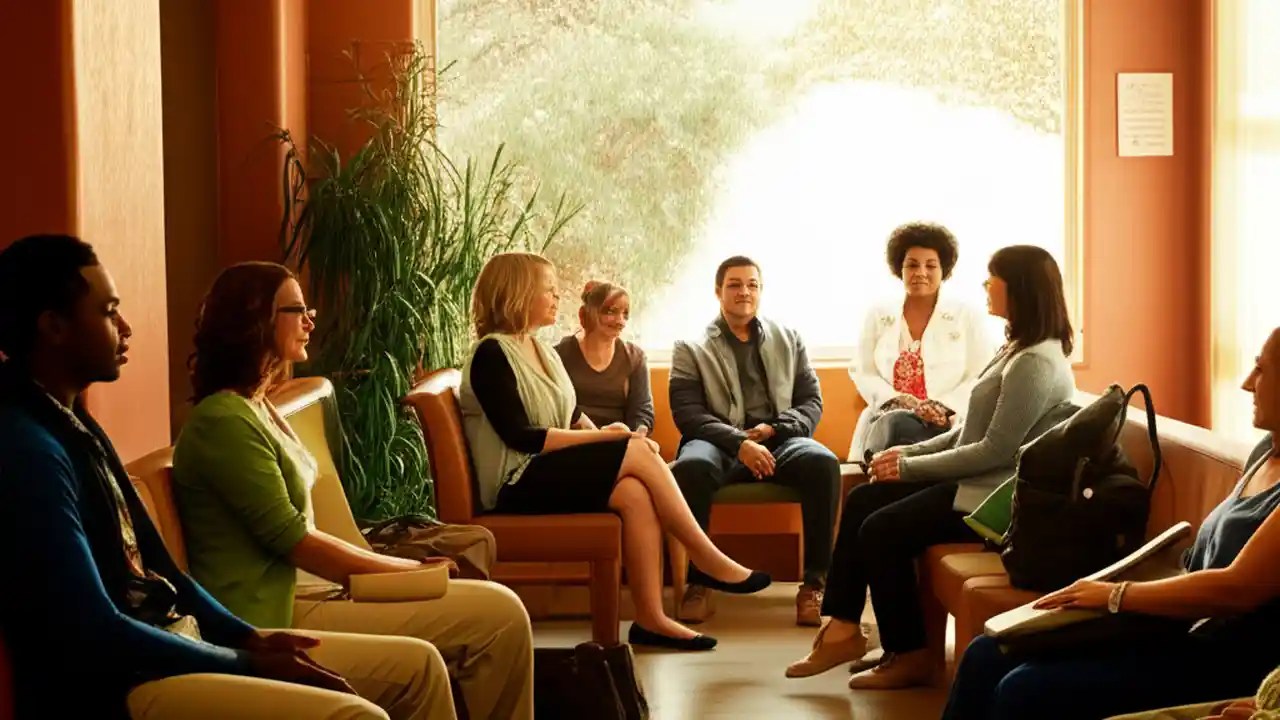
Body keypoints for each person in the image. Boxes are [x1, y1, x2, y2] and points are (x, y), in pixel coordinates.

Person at [0, 235, 444, 719]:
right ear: (54, 327)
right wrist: (247, 662)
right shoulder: (27, 447)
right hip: (115, 685)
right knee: (354, 716)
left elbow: (165, 571)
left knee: (415, 670)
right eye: (108, 312)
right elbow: (93, 626)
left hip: (170, 644)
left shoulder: (77, 425)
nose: (126, 328)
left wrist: (248, 636)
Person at [171, 262, 533, 720]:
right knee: (487, 625)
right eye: (296, 309)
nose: (309, 320)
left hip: (309, 594)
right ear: (256, 319)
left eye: (309, 310)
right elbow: (296, 540)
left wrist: (404, 569)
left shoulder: (256, 405)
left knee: (502, 612)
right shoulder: (221, 421)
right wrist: (407, 569)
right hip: (274, 614)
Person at [941, 327, 1280, 720]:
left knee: (1024, 690)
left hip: (1223, 661)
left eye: (1261, 369)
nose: (1246, 384)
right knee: (986, 653)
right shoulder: (1265, 452)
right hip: (1175, 630)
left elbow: (1237, 589)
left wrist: (1114, 595)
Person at [786, 245, 1077, 689]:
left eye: (992, 278)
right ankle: (843, 629)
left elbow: (994, 451)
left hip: (992, 501)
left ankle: (912, 654)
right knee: (864, 499)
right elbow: (966, 434)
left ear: (1017, 288)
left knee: (881, 529)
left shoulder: (1036, 361)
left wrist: (908, 470)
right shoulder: (1016, 348)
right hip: (974, 483)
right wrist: (905, 455)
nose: (985, 285)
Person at [461, 252, 771, 651]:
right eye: (549, 290)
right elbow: (522, 436)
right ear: (518, 294)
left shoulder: (539, 351)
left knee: (634, 492)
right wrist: (606, 440)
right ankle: (706, 558)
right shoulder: (491, 354)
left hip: (542, 470)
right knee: (636, 451)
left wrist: (602, 431)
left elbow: (571, 413)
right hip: (513, 483)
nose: (557, 298)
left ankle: (651, 618)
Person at [669, 255, 841, 627]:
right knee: (691, 468)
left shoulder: (789, 339)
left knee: (823, 463)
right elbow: (688, 414)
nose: (744, 291)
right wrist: (738, 442)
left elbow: (811, 402)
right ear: (718, 292)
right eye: (734, 284)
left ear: (761, 291)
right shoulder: (690, 346)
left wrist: (775, 430)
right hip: (717, 441)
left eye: (752, 284)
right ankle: (700, 583)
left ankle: (815, 584)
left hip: (779, 438)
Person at [848, 223, 994, 462]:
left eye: (931, 265)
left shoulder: (966, 315)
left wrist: (941, 407)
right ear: (900, 268)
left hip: (947, 423)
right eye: (912, 265)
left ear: (943, 269)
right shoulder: (878, 315)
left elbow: (981, 376)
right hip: (887, 422)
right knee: (895, 428)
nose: (921, 272)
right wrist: (897, 401)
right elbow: (863, 370)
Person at [554, 280, 655, 433]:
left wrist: (637, 434)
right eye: (611, 312)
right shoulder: (560, 355)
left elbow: (642, 410)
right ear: (586, 314)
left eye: (625, 314)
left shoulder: (635, 358)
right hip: (574, 442)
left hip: (621, 442)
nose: (620, 321)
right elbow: (556, 409)